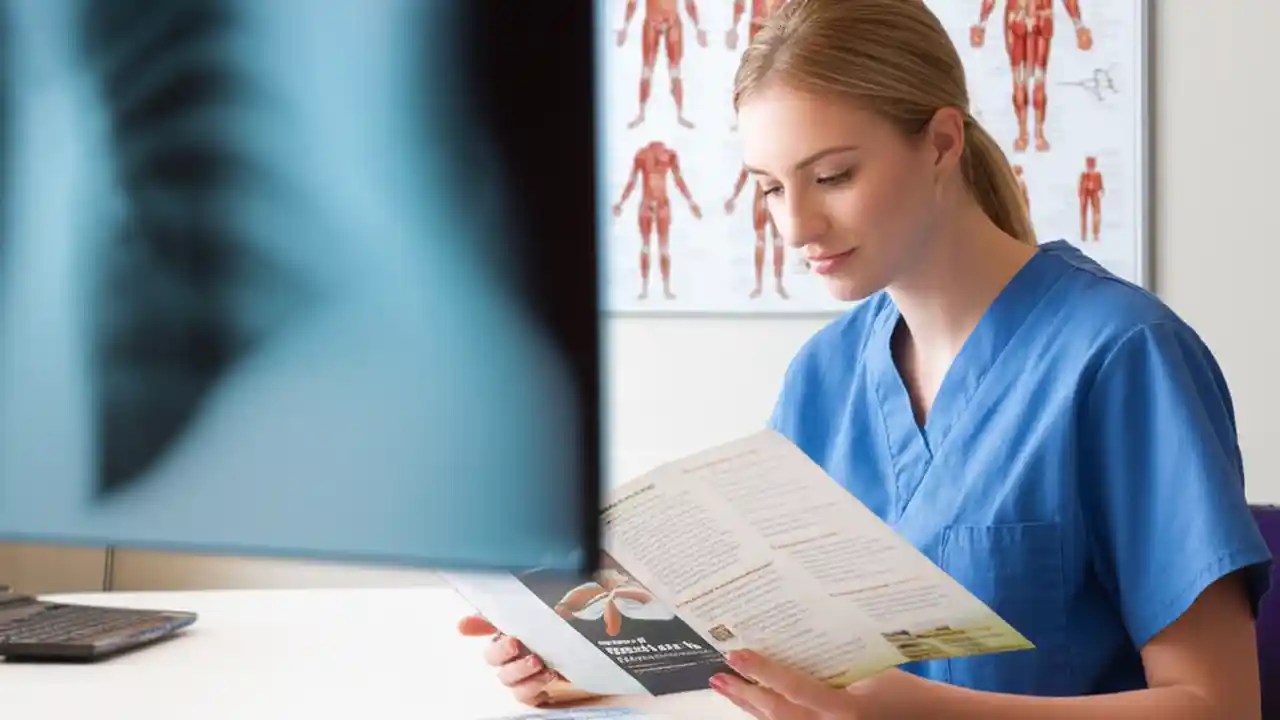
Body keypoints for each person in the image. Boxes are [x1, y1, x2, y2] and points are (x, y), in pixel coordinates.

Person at [459, 0, 1272, 717]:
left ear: (942, 143)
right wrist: (585, 669)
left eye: (833, 176)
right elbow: (772, 658)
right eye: (769, 188)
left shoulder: (1122, 356)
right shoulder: (825, 375)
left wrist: (929, 717)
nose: (795, 227)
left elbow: (1219, 705)